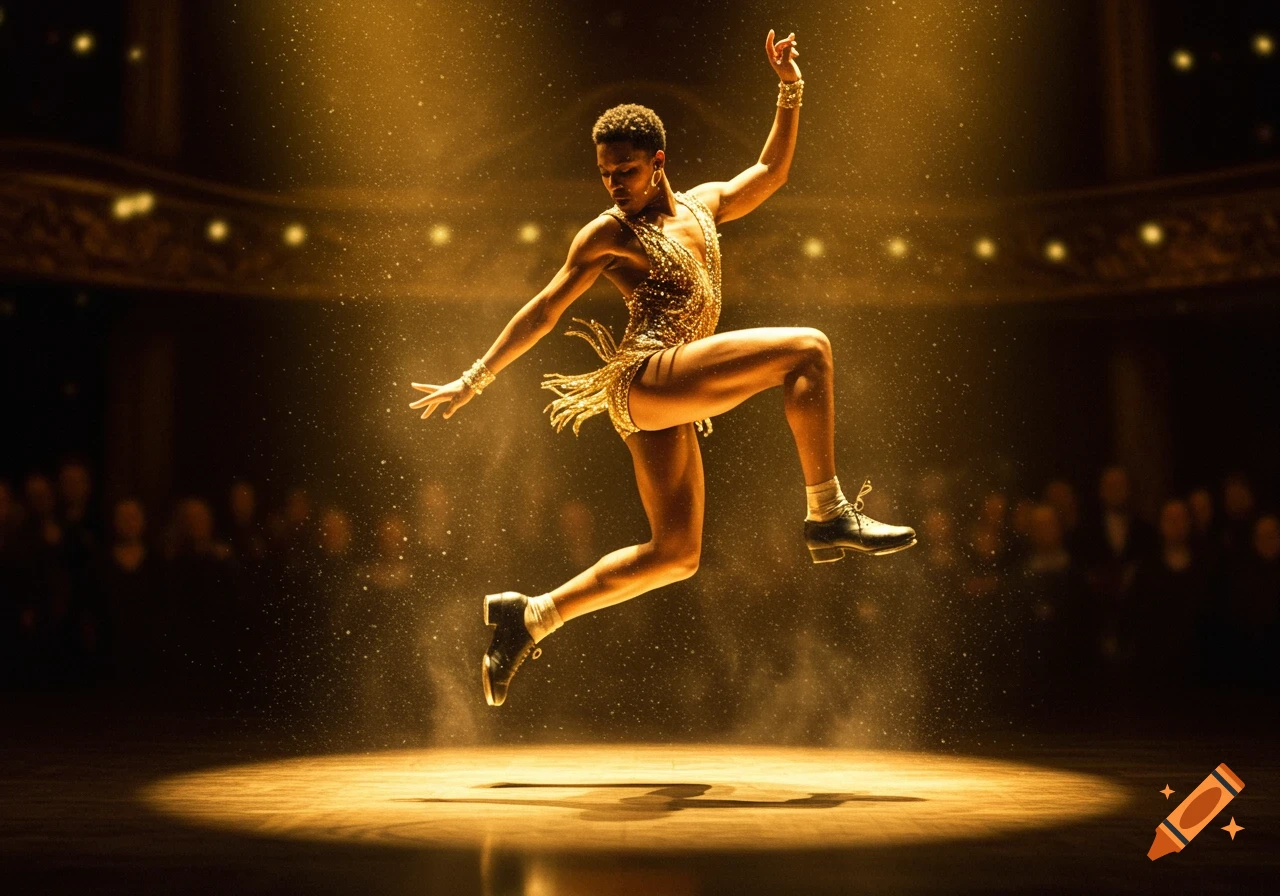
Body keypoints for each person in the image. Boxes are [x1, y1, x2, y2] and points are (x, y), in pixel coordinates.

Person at [410, 30, 917, 706]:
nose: (614, 184)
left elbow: (769, 174)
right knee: (810, 349)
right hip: (645, 378)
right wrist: (475, 376)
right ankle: (827, 512)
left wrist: (789, 89)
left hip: (663, 401)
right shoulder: (607, 235)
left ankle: (529, 616)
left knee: (675, 556)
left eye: (625, 170)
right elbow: (545, 309)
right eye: (604, 174)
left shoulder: (704, 206)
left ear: (658, 160)